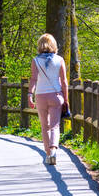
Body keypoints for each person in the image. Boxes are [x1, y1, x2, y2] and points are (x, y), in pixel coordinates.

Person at [29, 33, 69, 165]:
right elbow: (64, 82)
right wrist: (66, 99)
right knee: (55, 126)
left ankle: (47, 154)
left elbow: (34, 79)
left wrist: (30, 94)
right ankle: (53, 150)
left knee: (44, 126)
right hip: (56, 96)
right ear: (54, 45)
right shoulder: (60, 60)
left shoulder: (35, 60)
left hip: (40, 96)